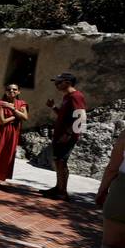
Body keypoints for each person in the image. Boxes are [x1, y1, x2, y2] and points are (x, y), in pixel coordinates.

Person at [43, 72, 87, 201]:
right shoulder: (67, 97)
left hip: (66, 137)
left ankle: (63, 193)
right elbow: (64, 116)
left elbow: (81, 117)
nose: (56, 85)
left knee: (62, 162)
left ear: (67, 83)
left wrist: (69, 135)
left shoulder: (76, 96)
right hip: (60, 135)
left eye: (59, 82)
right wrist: (53, 107)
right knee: (58, 162)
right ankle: (58, 188)